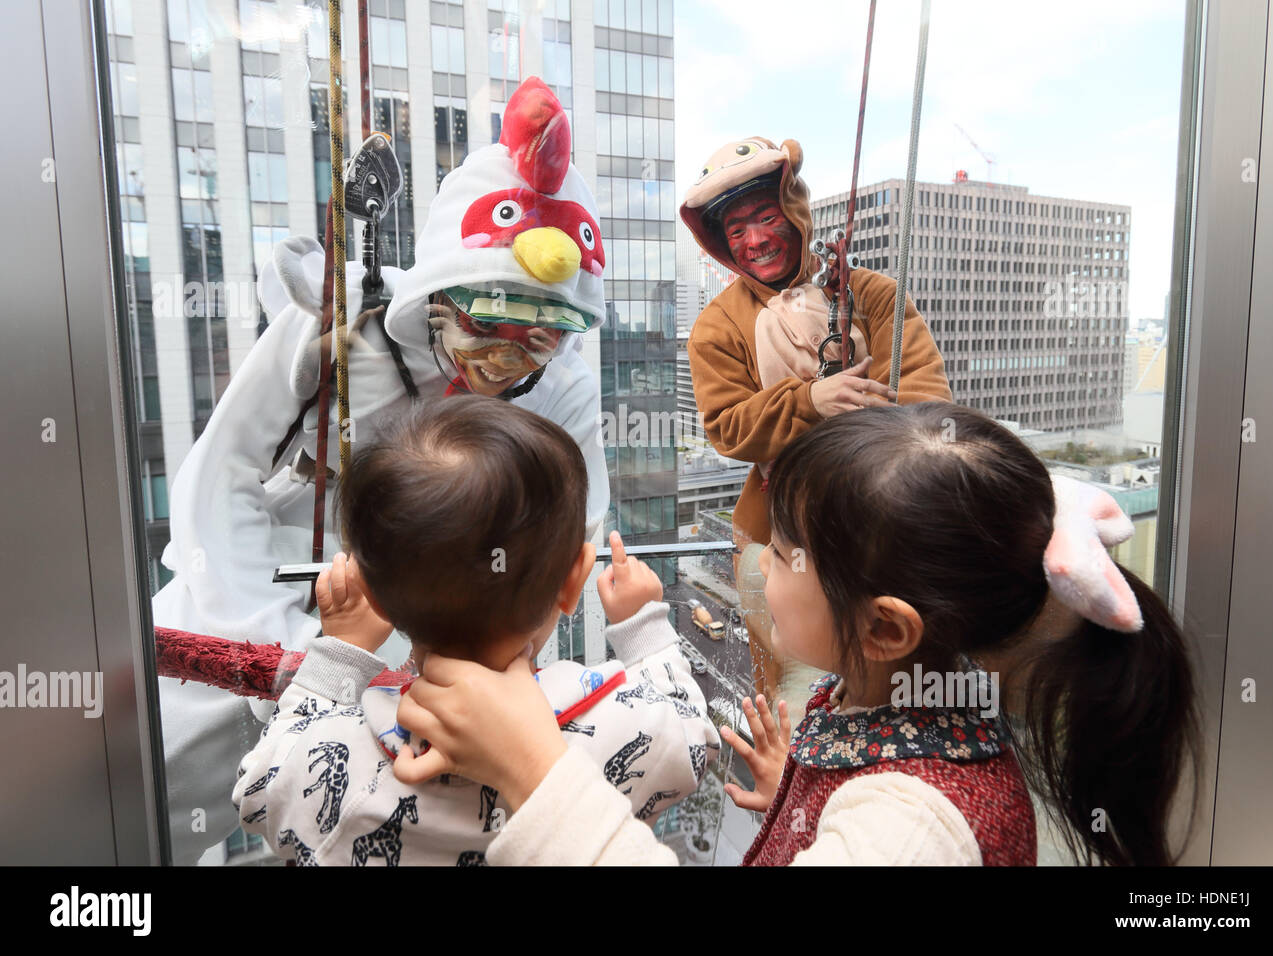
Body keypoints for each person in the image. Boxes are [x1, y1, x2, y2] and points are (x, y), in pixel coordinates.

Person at [390, 403, 1201, 866]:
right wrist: (804, 804)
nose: (762, 564)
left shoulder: (913, 830)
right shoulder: (885, 706)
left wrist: (535, 769)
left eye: (785, 552)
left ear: (884, 627)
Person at [156, 76, 613, 863]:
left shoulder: (564, 383)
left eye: (539, 337)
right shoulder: (341, 327)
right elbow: (223, 465)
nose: (507, 360)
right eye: (487, 325)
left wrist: (485, 659)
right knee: (148, 774)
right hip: (248, 594)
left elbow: (570, 533)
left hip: (425, 641)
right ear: (441, 290)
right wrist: (272, 643)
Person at [232, 395, 718, 865]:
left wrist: (342, 650)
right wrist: (641, 624)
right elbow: (695, 735)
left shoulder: (343, 765)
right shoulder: (622, 723)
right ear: (575, 582)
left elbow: (258, 791)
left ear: (374, 596)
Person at [680, 136, 951, 707]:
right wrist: (811, 401)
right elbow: (727, 426)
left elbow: (928, 400)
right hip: (778, 538)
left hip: (882, 527)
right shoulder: (717, 326)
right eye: (736, 230)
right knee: (798, 696)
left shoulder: (872, 295)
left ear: (796, 212)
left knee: (894, 684)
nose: (754, 239)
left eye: (765, 216)